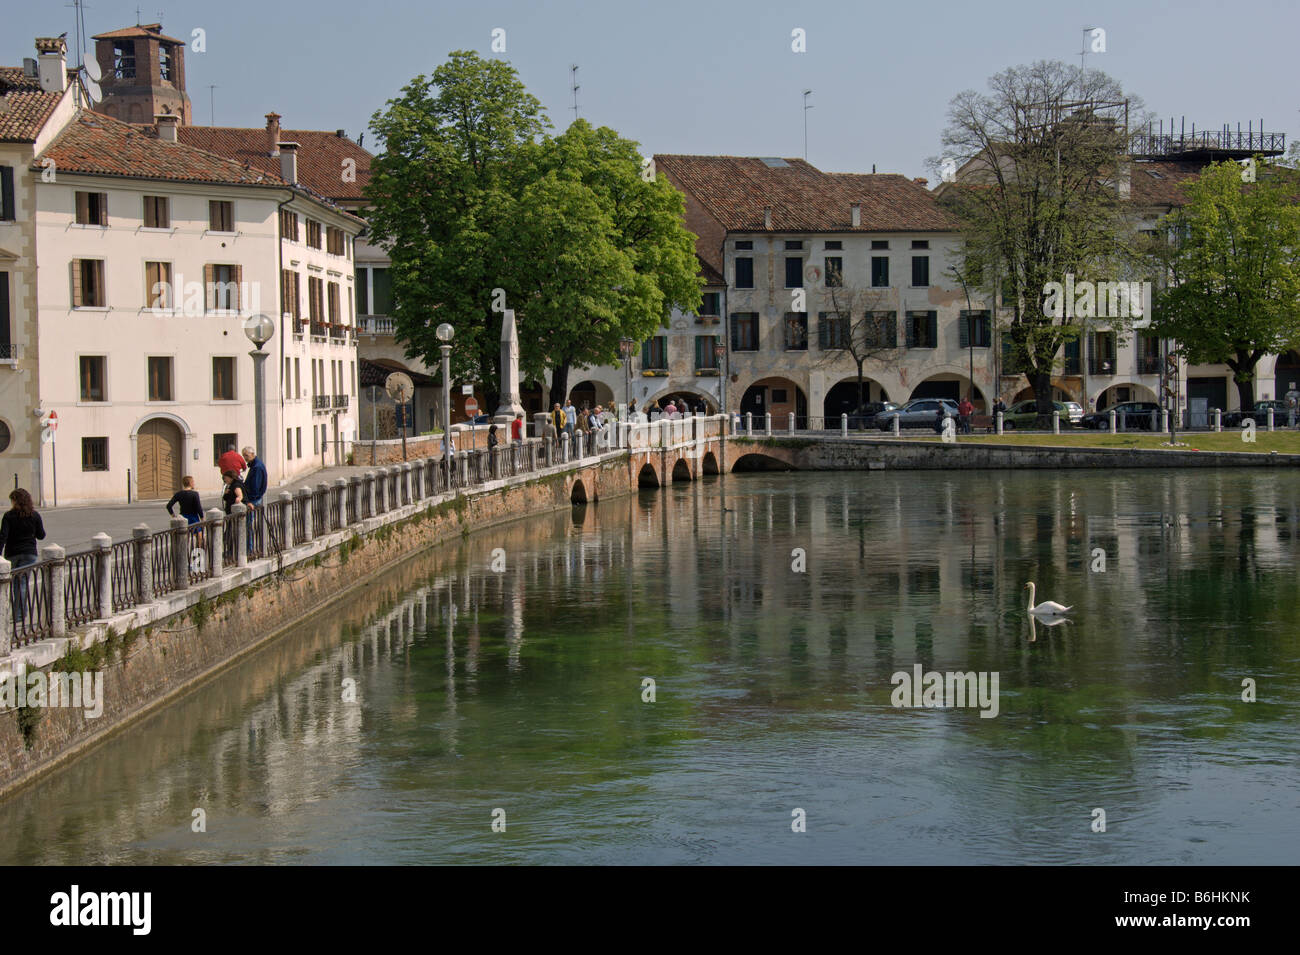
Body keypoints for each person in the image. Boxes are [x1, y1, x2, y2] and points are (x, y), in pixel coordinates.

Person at [1, 489, 45, 622]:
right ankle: (20, 614)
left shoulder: (9, 516)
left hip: (12, 554)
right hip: (29, 554)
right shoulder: (34, 515)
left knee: (14, 584)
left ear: (15, 501)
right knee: (23, 583)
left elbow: (3, 536)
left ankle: (19, 614)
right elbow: (41, 535)